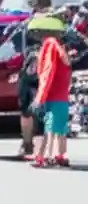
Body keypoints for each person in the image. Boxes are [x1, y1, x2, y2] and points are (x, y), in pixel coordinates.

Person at [14, 0, 86, 157]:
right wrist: (69, 59)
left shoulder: (27, 23)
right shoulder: (61, 24)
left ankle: (28, 145)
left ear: (37, 7)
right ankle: (47, 151)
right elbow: (81, 43)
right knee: (49, 110)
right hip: (52, 70)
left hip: (32, 69)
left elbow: (13, 44)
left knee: (28, 109)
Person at [31, 30, 73, 167]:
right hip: (58, 98)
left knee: (52, 129)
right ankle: (58, 155)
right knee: (59, 129)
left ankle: (49, 155)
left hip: (54, 98)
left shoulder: (55, 62)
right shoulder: (62, 64)